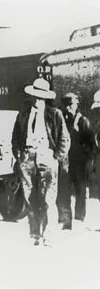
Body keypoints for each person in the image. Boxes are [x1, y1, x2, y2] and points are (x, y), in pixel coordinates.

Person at [11, 77, 69, 246]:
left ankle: (47, 234)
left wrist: (56, 157)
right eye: (35, 96)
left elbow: (65, 138)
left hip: (47, 157)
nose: (38, 100)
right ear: (32, 96)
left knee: (47, 198)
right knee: (29, 197)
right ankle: (34, 234)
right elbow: (15, 137)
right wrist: (19, 154)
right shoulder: (23, 114)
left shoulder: (55, 114)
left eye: (41, 97)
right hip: (27, 157)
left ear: (46, 98)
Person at [57, 92, 93, 229]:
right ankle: (65, 218)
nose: (68, 108)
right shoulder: (60, 120)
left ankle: (79, 217)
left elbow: (90, 143)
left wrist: (88, 162)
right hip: (65, 160)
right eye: (66, 105)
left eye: (71, 105)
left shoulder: (82, 121)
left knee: (80, 190)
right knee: (63, 189)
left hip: (79, 161)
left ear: (76, 105)